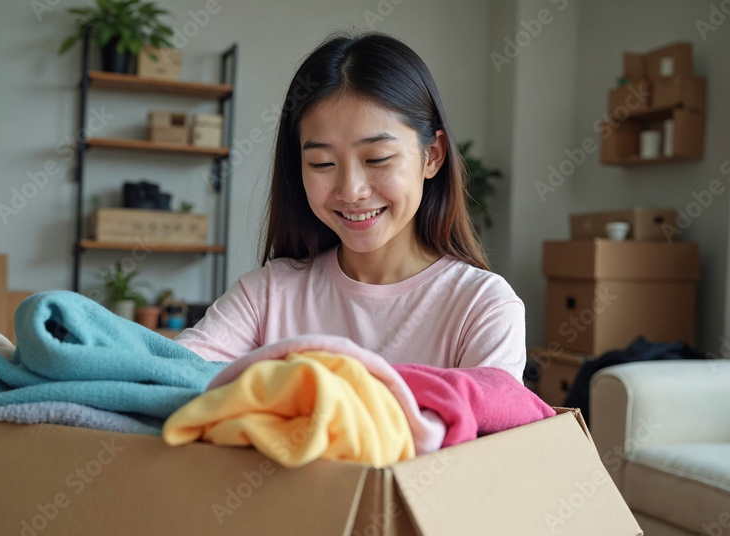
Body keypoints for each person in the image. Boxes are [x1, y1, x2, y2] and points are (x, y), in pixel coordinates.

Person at [174, 32, 526, 381]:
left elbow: (490, 416)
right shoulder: (266, 295)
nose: (351, 190)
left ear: (432, 155)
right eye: (322, 163)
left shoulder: (483, 307)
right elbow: (169, 376)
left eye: (377, 158)